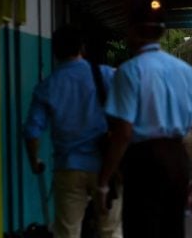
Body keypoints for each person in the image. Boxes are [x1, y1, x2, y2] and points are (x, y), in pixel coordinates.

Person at [97, 1, 192, 237]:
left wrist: (104, 179)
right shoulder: (185, 71)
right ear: (162, 32)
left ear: (133, 32)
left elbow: (123, 133)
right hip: (177, 160)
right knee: (173, 229)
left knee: (141, 228)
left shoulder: (128, 71)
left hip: (142, 163)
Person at [23, 25, 123, 238]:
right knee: (110, 229)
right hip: (105, 166)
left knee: (67, 231)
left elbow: (32, 131)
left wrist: (35, 161)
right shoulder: (106, 75)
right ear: (82, 48)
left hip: (68, 167)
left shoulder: (48, 86)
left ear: (55, 51)